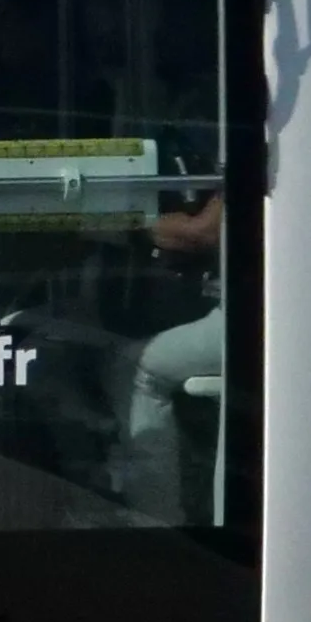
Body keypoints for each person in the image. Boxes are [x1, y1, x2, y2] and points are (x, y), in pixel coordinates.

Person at [121, 187, 227, 522]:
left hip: (258, 313)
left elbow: (203, 233)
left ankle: (156, 521)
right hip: (237, 300)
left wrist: (124, 223)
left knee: (138, 365)